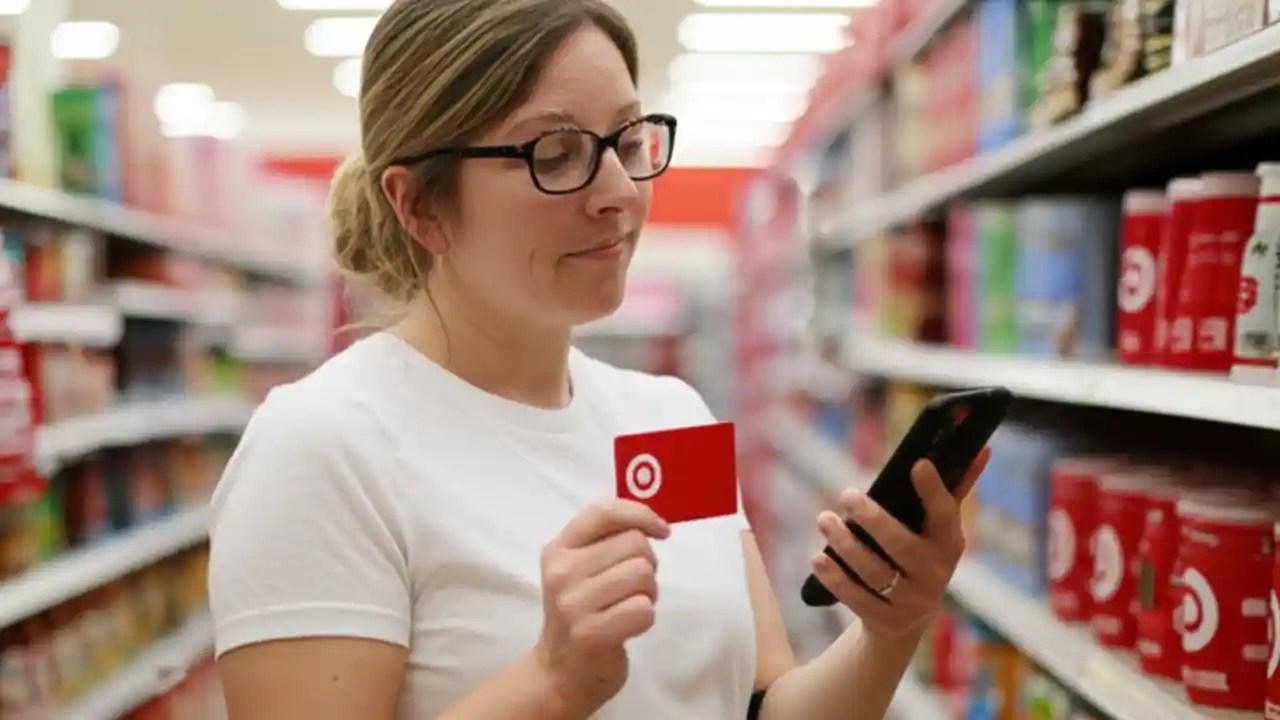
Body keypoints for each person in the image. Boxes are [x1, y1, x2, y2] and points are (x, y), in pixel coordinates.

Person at [207, 1, 989, 718]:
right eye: (556, 153)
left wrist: (891, 628)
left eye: (627, 139)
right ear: (420, 206)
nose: (619, 189)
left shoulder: (668, 418)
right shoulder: (322, 445)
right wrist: (549, 682)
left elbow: (762, 705)